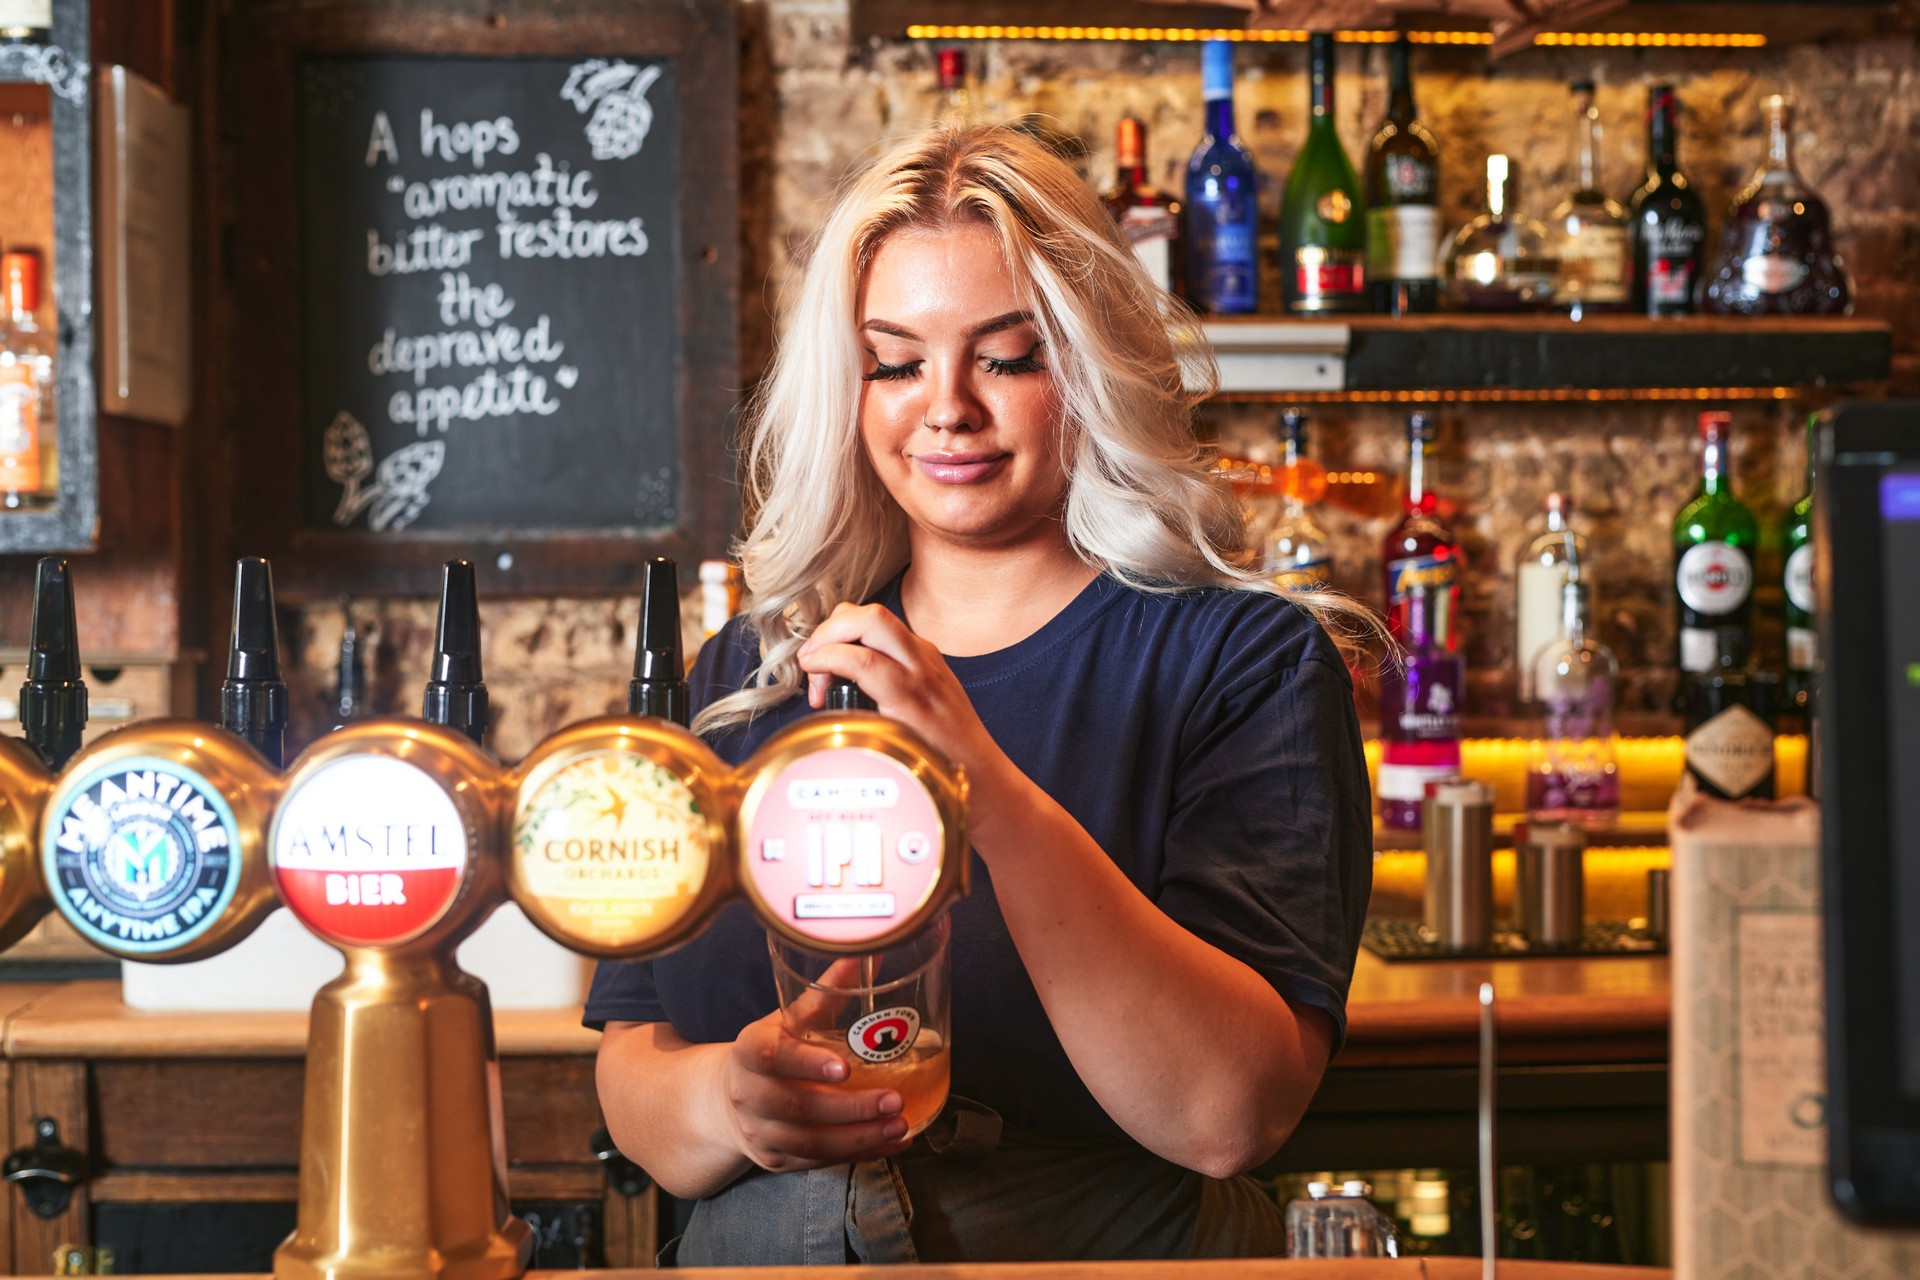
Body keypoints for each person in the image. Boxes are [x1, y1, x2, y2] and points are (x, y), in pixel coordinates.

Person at [587, 121, 1374, 1266]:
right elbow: (630, 1067)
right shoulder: (741, 677)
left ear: (1090, 368)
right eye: (896, 362)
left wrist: (986, 788)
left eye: (1006, 357)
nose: (945, 407)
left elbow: (1229, 1110)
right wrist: (724, 1101)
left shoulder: (1241, 661)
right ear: (846, 390)